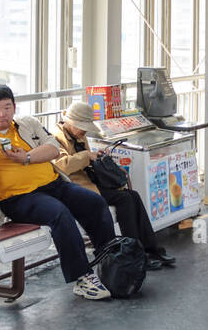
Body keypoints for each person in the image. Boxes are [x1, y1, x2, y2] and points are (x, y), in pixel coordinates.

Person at [0, 85, 114, 301]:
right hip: (17, 198)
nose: (2, 114)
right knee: (59, 214)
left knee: (94, 202)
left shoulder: (27, 124)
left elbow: (53, 148)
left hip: (53, 185)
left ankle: (109, 260)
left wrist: (26, 157)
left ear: (14, 108)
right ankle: (82, 276)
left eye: (7, 107)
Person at [54, 102, 176, 270]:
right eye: (80, 127)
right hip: (77, 188)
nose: (83, 131)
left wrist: (96, 157)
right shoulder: (56, 137)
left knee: (133, 195)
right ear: (69, 121)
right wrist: (87, 156)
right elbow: (61, 165)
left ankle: (151, 249)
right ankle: (135, 254)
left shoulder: (77, 135)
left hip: (91, 182)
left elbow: (85, 160)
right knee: (125, 199)